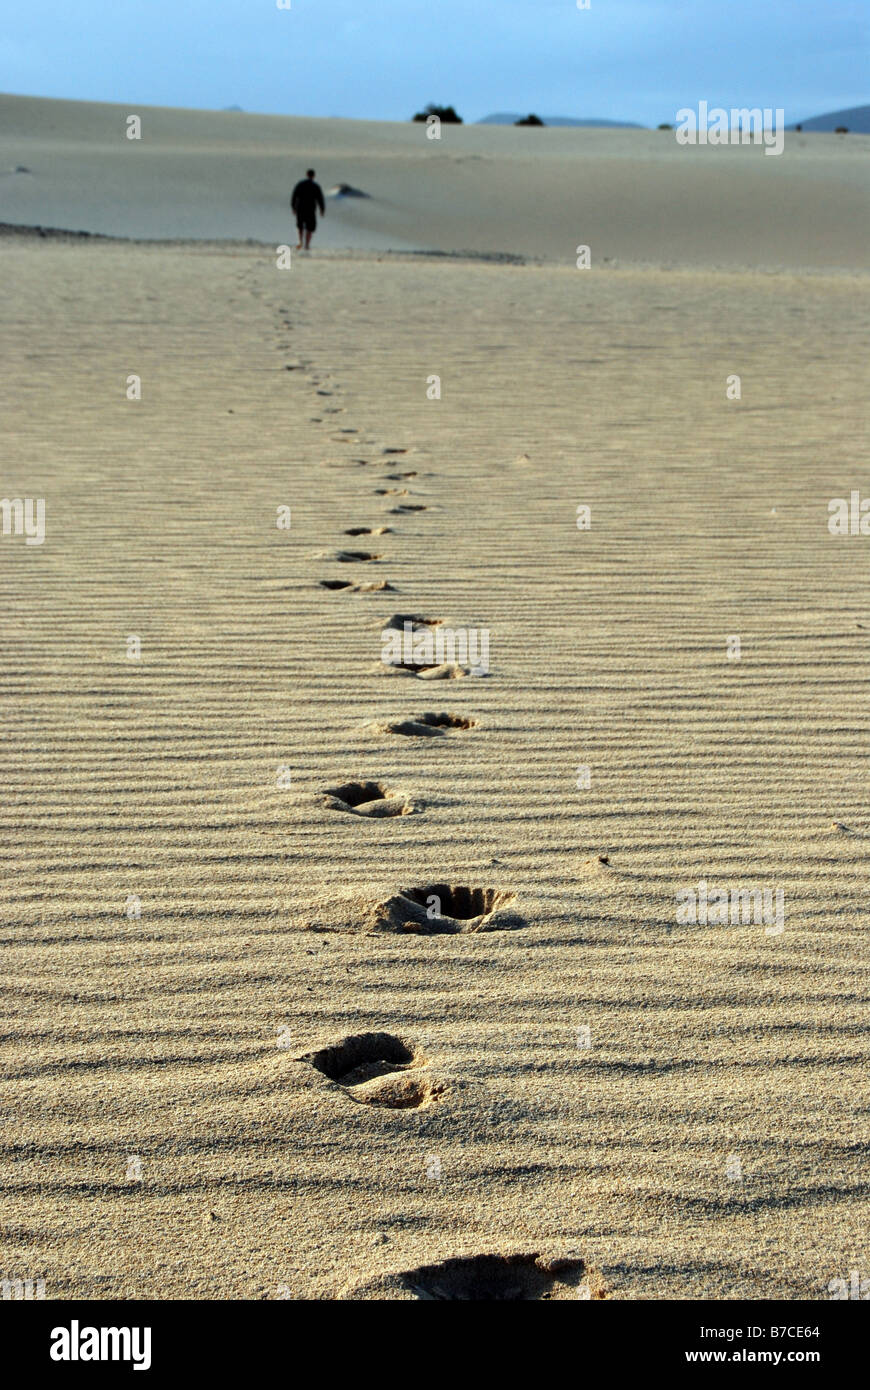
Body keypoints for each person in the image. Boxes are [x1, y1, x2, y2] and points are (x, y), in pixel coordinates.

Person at [291, 168, 325, 250]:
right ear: (314, 176)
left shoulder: (300, 185)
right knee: (310, 227)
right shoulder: (315, 186)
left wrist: (293, 207)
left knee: (300, 226)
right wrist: (322, 210)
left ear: (307, 174)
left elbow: (294, 196)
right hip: (310, 209)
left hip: (301, 208)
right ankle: (307, 244)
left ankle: (300, 242)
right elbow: (320, 199)